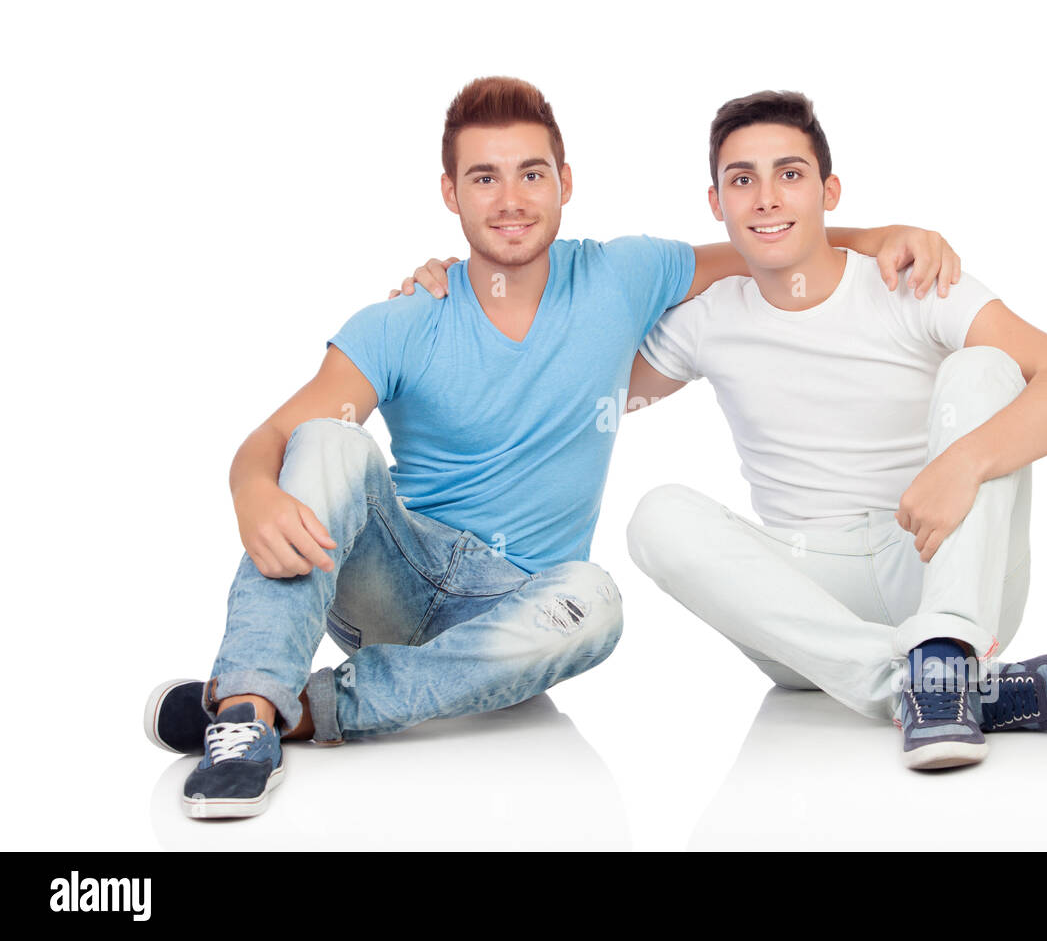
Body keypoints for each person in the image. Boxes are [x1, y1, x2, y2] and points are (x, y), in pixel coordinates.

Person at [143, 75, 965, 817]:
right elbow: (274, 438)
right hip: (393, 579)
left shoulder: (622, 275)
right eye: (484, 177)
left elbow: (773, 244)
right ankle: (250, 709)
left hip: (525, 606)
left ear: (565, 183)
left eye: (531, 173)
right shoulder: (402, 320)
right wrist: (249, 488)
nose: (510, 199)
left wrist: (885, 231)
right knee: (326, 439)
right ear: (449, 193)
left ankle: (312, 706)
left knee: (598, 604)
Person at [617, 90, 1047, 770]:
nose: (766, 198)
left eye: (789, 175)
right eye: (742, 181)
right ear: (717, 204)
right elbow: (588, 399)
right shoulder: (706, 318)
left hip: (940, 562)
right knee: (656, 516)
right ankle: (930, 689)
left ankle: (945, 656)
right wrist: (471, 295)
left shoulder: (909, 282)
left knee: (984, 368)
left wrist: (962, 463)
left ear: (829, 191)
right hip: (811, 611)